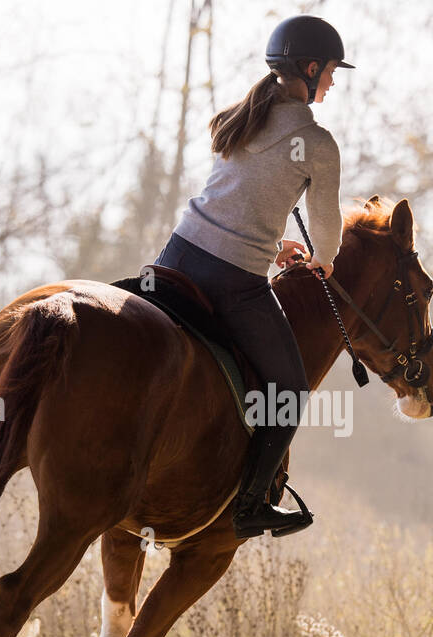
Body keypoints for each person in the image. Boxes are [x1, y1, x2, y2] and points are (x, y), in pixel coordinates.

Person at [154, 14, 353, 539]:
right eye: (331, 71)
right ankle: (250, 506)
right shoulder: (317, 141)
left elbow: (238, 204)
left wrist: (271, 249)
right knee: (288, 390)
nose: (333, 81)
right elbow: (328, 223)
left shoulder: (240, 117)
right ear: (310, 68)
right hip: (232, 279)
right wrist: (324, 259)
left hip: (175, 259)